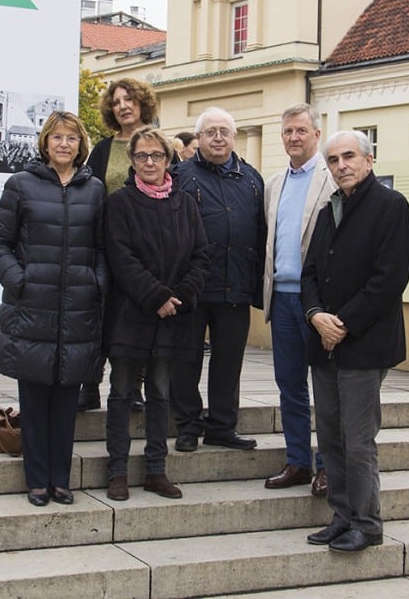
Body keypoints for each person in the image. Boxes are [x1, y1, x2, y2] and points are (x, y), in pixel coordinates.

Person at [300, 130, 409, 552]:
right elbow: (309, 271)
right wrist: (315, 316)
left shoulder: (391, 206)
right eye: (333, 160)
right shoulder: (330, 208)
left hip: (363, 343)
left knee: (358, 438)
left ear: (369, 160)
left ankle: (367, 523)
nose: (341, 165)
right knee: (330, 435)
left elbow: (390, 278)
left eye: (349, 156)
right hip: (324, 340)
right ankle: (341, 515)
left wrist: (342, 322)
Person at [0, 111, 107, 508]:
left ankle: (61, 480)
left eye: (71, 138)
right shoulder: (20, 185)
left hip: (77, 312)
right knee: (35, 402)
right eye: (56, 137)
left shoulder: (95, 190)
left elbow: (103, 249)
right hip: (31, 310)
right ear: (45, 142)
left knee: (66, 405)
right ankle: (36, 481)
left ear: (81, 145)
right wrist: (19, 281)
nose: (63, 144)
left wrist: (96, 282)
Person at [102, 126, 210, 501]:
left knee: (161, 393)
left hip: (172, 317)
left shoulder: (185, 203)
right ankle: (117, 470)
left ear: (169, 159)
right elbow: (121, 258)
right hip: (131, 314)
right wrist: (157, 296)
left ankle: (155, 469)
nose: (149, 162)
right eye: (141, 156)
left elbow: (200, 255)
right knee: (120, 392)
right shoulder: (120, 202)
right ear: (132, 161)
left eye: (157, 155)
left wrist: (179, 296)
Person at [170, 107, 265, 452]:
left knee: (228, 362)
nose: (218, 138)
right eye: (210, 132)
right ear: (199, 138)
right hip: (190, 288)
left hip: (235, 285)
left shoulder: (252, 179)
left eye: (224, 131)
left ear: (234, 136)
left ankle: (222, 426)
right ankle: (186, 425)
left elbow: (260, 232)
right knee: (185, 360)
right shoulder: (178, 176)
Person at [261, 103, 336, 496]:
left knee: (323, 385)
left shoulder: (331, 181)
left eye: (301, 131)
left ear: (316, 135)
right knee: (289, 385)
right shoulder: (275, 183)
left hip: (317, 303)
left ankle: (327, 466)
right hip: (282, 298)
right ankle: (297, 461)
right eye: (288, 131)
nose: (294, 137)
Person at [80, 77, 159, 412]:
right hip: (107, 246)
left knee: (140, 319)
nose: (124, 106)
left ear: (142, 102)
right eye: (117, 102)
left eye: (129, 99)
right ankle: (89, 383)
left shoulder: (159, 145)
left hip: (148, 250)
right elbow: (90, 195)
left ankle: (133, 388)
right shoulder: (102, 149)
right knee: (98, 317)